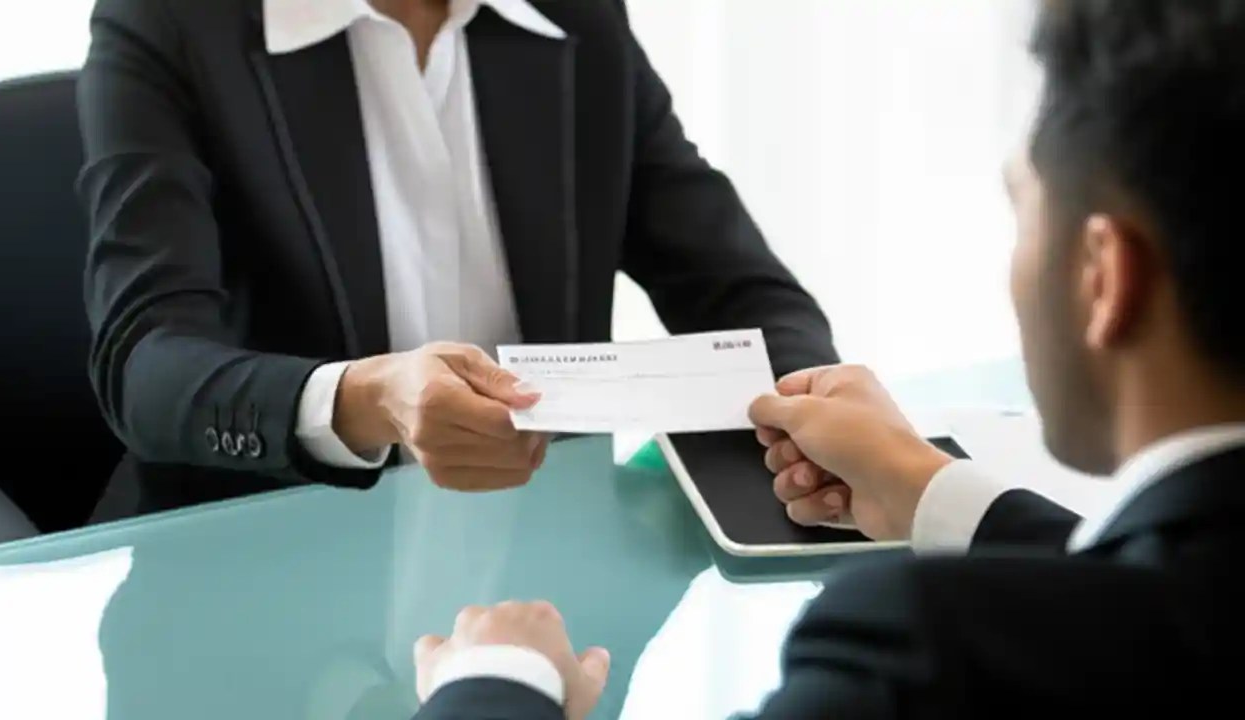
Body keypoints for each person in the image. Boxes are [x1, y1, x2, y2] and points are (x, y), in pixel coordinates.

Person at [408, 0, 1245, 716]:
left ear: (1104, 278)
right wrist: (928, 491)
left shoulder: (920, 652)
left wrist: (494, 683)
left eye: (1021, 208)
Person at [77, 0, 837, 520]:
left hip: (543, 569)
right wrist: (362, 399)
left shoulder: (575, 16)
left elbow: (747, 296)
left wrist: (816, 419)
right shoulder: (169, 21)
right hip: (253, 571)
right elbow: (146, 364)